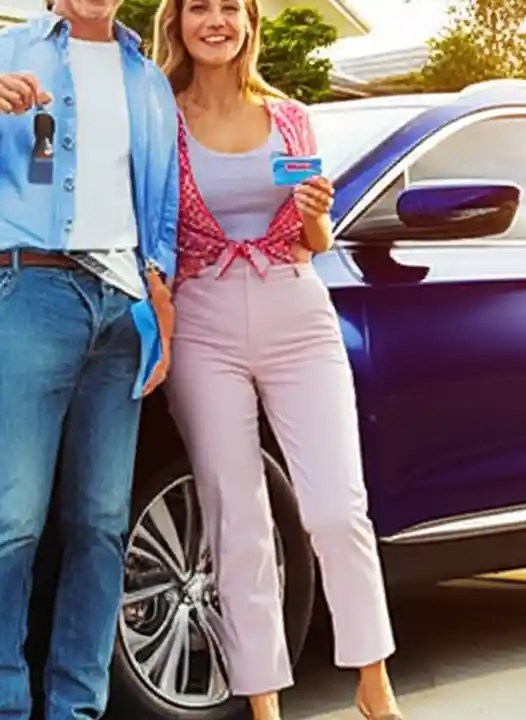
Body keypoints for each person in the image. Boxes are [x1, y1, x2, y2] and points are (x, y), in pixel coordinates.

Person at [0, 0, 179, 716]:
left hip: (123, 312)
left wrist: (164, 307)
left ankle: (76, 707)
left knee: (100, 523)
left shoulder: (148, 80)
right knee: (16, 517)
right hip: (27, 290)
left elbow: (161, 212)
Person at [149, 0, 403, 718]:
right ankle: (264, 704)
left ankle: (373, 684)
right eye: (200, 6)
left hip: (296, 310)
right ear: (178, 21)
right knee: (238, 517)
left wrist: (316, 208)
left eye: (230, 6)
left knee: (335, 509)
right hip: (203, 319)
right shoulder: (159, 119)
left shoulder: (289, 116)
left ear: (250, 21)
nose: (216, 20)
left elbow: (314, 238)